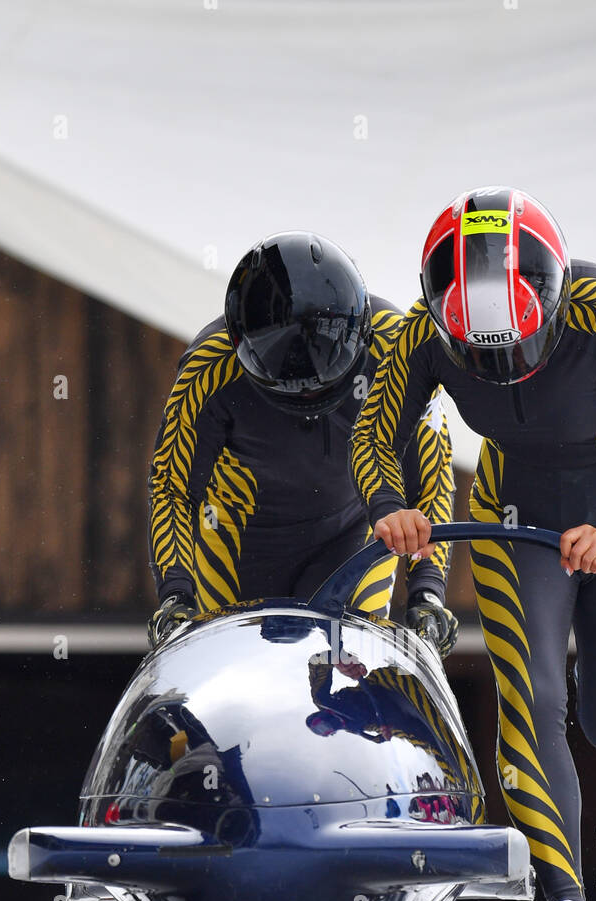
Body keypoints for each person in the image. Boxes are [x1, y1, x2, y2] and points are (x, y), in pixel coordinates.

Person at [350, 187, 596, 901]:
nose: (502, 369)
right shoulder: (419, 335)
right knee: (533, 696)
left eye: (517, 347)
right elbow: (376, 437)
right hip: (516, 511)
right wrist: (388, 509)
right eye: (482, 353)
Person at [147, 231, 457, 655]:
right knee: (243, 683)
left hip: (353, 534)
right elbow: (174, 486)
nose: (311, 399)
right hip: (239, 540)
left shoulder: (397, 346)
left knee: (343, 680)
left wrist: (427, 591)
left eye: (320, 386)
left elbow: (431, 477)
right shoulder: (209, 366)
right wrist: (176, 596)